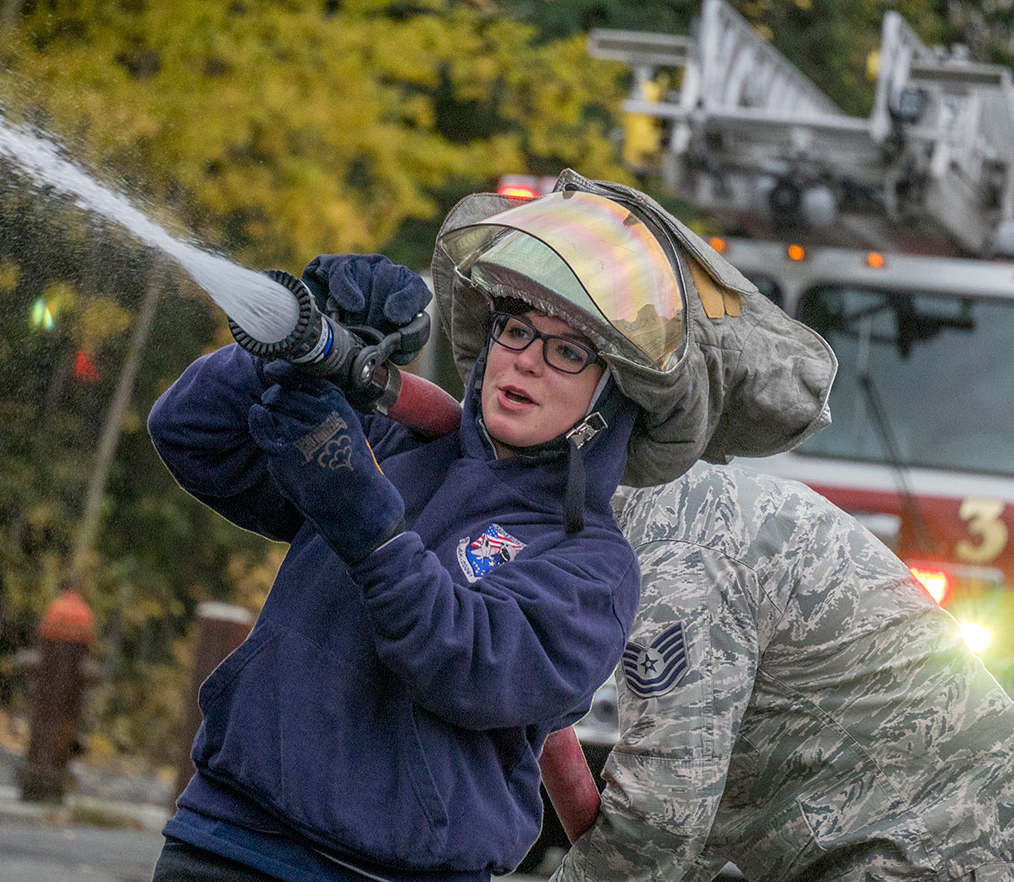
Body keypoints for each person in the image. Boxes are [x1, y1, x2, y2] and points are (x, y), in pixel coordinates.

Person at [146, 169, 834, 882]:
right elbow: (192, 433)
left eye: (568, 351)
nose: (527, 360)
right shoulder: (396, 448)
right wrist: (292, 353)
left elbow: (469, 666)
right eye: (516, 329)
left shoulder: (592, 566)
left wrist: (372, 532)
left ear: (617, 400)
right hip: (224, 840)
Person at [554, 461, 1014, 882]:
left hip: (943, 847)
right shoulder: (675, 507)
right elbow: (694, 813)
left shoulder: (677, 551)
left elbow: (660, 817)